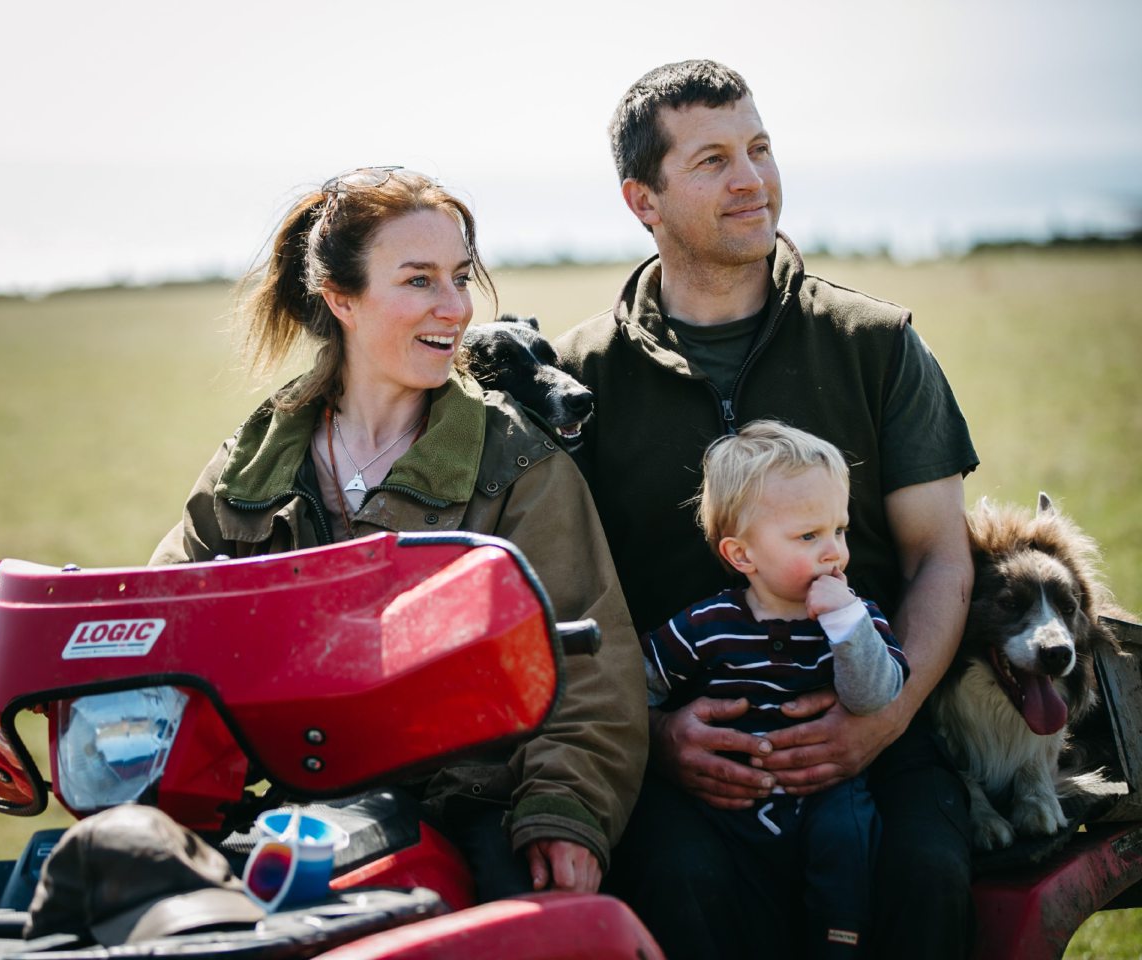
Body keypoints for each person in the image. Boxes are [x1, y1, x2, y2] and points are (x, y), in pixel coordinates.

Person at [555, 61, 979, 959]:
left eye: (759, 148)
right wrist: (656, 736)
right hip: (674, 753)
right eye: (711, 160)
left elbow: (940, 557)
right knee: (680, 890)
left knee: (926, 875)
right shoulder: (579, 380)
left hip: (879, 727)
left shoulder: (876, 345)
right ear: (643, 199)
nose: (751, 179)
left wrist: (880, 723)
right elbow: (568, 602)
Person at [149, 166, 646, 900]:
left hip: (473, 815)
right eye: (419, 280)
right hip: (291, 813)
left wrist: (564, 811)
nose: (455, 307)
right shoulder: (251, 465)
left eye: (460, 277)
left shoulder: (517, 463)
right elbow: (163, 627)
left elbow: (594, 666)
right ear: (340, 298)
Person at [642, 420, 907, 957]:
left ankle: (841, 941)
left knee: (845, 832)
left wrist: (848, 627)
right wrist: (658, 729)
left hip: (826, 790)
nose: (834, 551)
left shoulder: (858, 618)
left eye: (840, 530)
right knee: (717, 869)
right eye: (809, 537)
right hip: (735, 795)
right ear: (743, 556)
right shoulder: (708, 624)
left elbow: (874, 697)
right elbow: (638, 680)